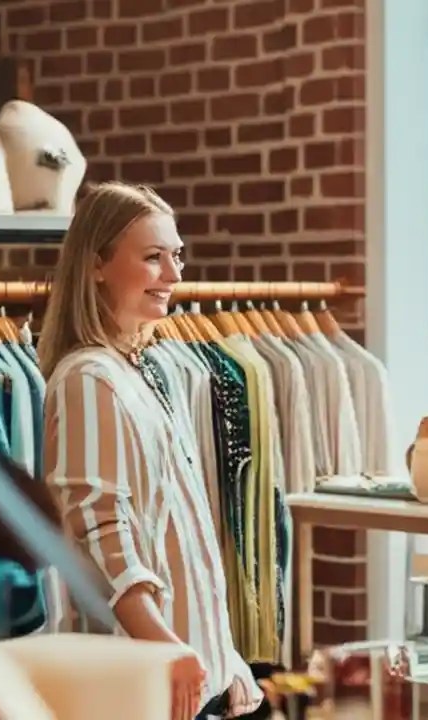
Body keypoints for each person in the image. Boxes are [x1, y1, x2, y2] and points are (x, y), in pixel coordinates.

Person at [38, 182, 261, 720]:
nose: (174, 274)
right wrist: (167, 648)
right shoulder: (89, 378)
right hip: (148, 683)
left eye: (177, 256)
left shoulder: (146, 371)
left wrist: (224, 657)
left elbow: (184, 535)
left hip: (189, 675)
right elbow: (100, 531)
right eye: (153, 257)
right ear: (97, 265)